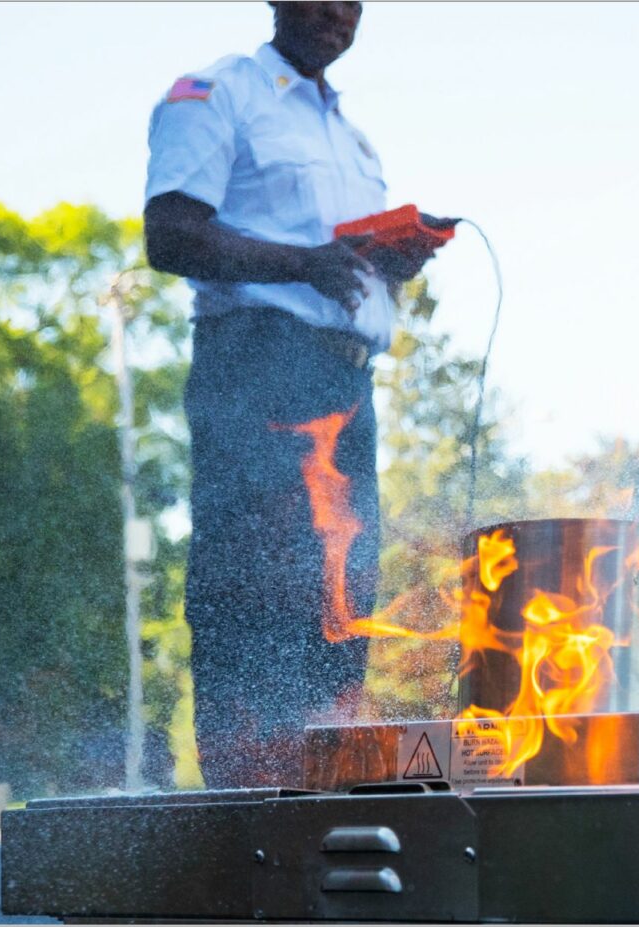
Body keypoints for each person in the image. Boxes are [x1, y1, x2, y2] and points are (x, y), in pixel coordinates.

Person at [143, 1, 441, 788]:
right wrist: (303, 265)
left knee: (342, 593)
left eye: (356, 0)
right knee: (259, 583)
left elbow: (336, 261)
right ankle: (247, 799)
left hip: (348, 381)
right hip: (261, 371)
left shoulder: (352, 136)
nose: (341, 10)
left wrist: (391, 257)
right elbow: (169, 234)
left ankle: (325, 789)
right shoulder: (218, 93)